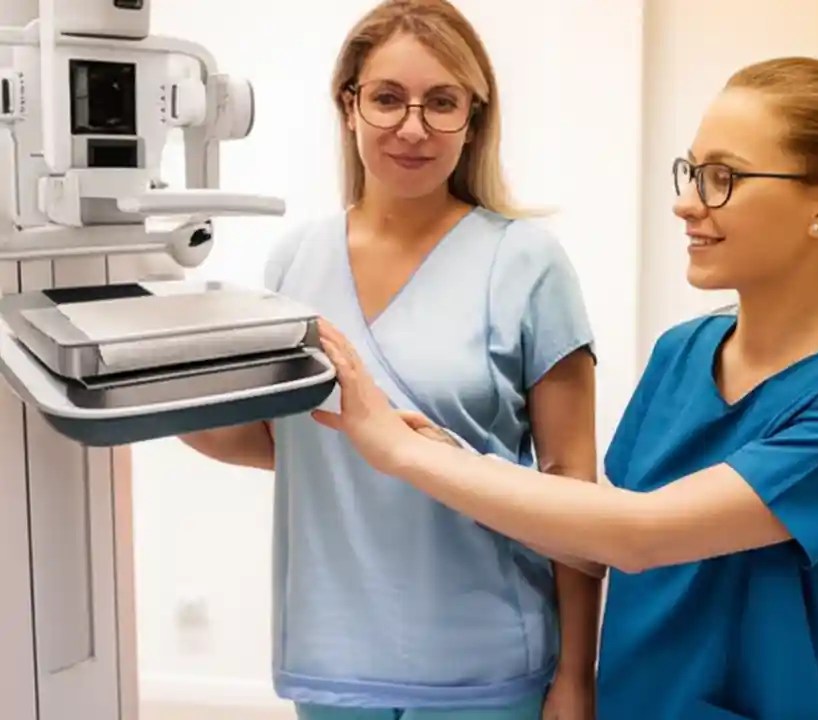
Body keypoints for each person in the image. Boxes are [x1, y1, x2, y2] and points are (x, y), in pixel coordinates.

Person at [313, 55, 818, 720]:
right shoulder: (684, 352)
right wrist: (447, 457)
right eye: (693, 172)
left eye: (723, 178)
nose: (686, 201)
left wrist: (408, 454)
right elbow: (593, 531)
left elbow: (640, 536)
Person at [178, 1, 600, 718]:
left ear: (474, 116)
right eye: (387, 99)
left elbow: (574, 487)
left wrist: (576, 679)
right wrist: (150, 384)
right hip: (332, 660)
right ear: (349, 107)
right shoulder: (296, 260)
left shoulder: (526, 263)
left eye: (442, 102)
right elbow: (282, 445)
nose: (413, 127)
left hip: (489, 664)